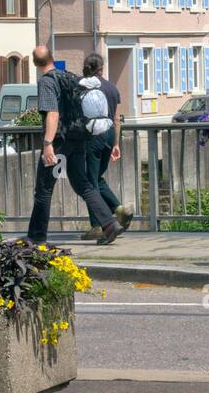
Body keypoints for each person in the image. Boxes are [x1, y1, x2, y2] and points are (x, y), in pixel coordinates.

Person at [23, 45, 123, 246]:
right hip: (78, 136)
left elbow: (52, 112)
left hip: (59, 140)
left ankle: (36, 236)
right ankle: (109, 223)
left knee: (44, 188)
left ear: (35, 63)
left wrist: (48, 143)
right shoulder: (69, 77)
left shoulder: (47, 82)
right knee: (82, 183)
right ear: (52, 58)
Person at [78, 53, 132, 239]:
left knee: (89, 182)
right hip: (109, 134)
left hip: (93, 136)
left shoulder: (82, 86)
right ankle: (119, 208)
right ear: (101, 68)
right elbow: (116, 119)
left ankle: (98, 226)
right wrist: (115, 143)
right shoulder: (111, 88)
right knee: (96, 177)